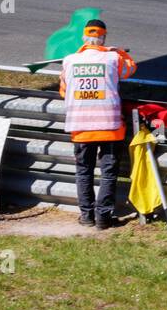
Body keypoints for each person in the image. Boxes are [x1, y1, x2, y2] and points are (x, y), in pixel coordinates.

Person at [59, 19, 137, 229]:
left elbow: (63, 91)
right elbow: (130, 69)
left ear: (84, 38)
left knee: (84, 171)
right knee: (108, 172)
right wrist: (119, 51)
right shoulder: (113, 57)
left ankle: (86, 216)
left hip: (80, 127)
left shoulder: (69, 60)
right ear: (104, 37)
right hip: (109, 126)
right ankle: (103, 218)